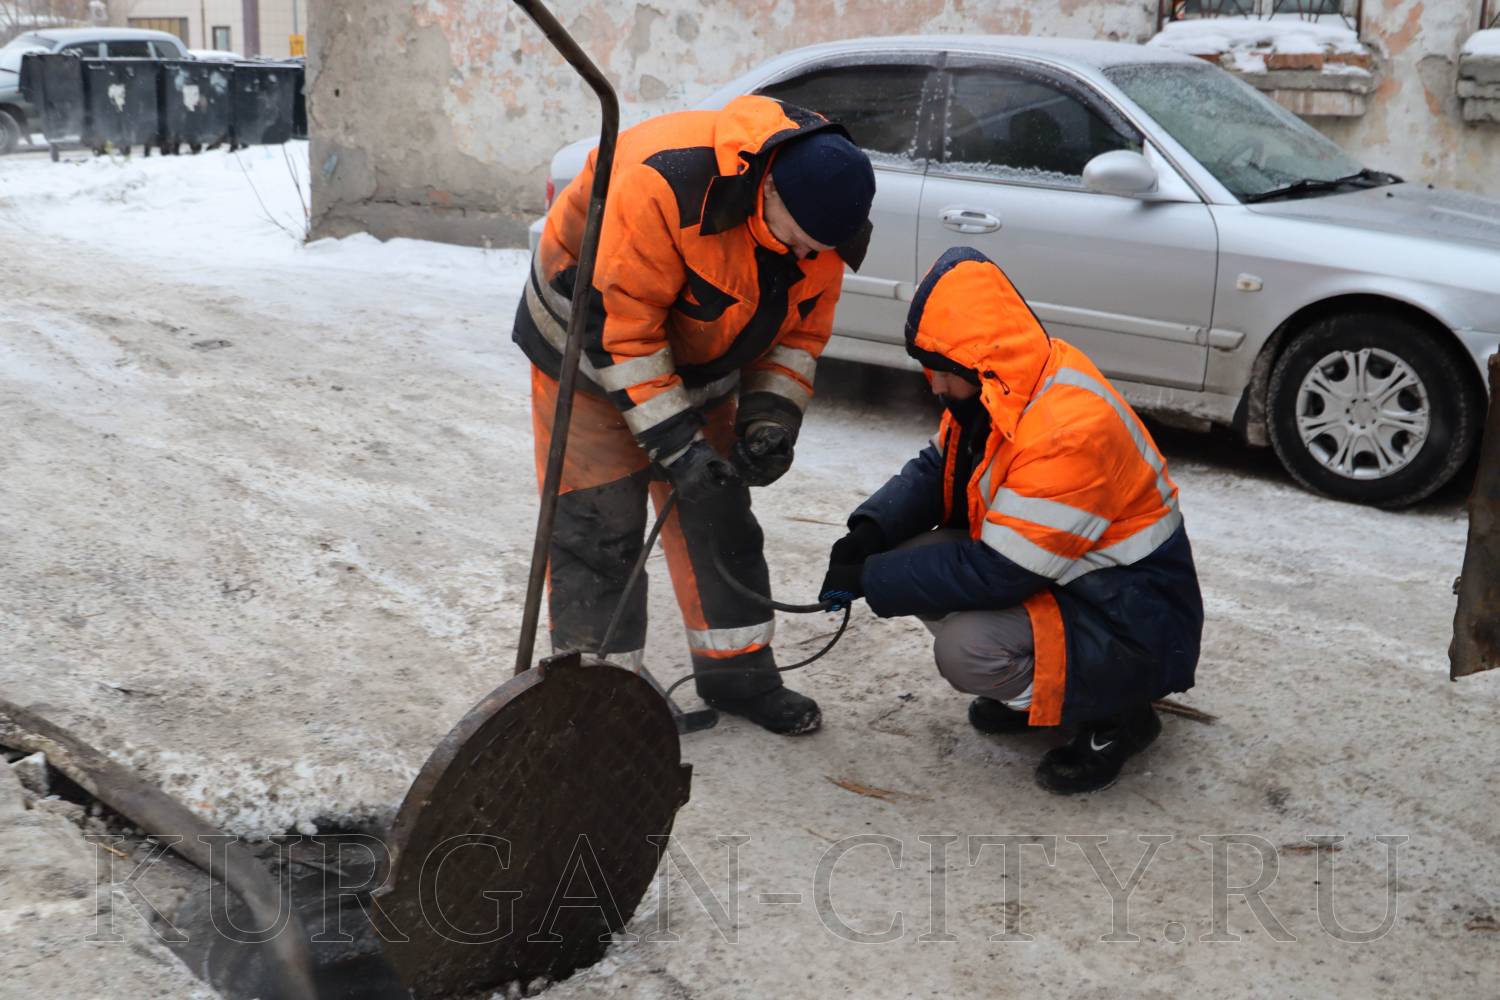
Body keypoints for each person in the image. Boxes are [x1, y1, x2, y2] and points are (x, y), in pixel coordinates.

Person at [515, 94, 876, 736]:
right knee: (601, 525)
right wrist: (679, 448)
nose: (807, 254)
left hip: (698, 357)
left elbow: (798, 337)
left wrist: (770, 422)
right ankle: (600, 700)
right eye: (801, 237)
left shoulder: (823, 227)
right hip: (591, 352)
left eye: (821, 246)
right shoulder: (663, 188)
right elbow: (623, 338)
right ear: (768, 192)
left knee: (718, 511)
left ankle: (738, 678)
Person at [820, 247, 1203, 792]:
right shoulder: (1006, 388)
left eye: (940, 372)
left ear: (976, 363)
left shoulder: (1065, 430)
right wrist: (870, 533)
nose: (933, 387)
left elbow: (1000, 573)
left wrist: (869, 580)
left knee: (965, 649)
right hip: (1074, 584)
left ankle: (1119, 715)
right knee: (906, 562)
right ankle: (1045, 692)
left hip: (1132, 615)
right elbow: (938, 469)